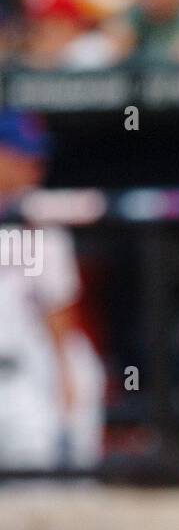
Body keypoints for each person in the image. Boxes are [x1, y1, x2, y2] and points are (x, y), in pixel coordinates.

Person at [0, 110, 105, 472]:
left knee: (46, 497)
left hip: (29, 373)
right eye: (21, 154)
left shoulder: (38, 219)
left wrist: (68, 379)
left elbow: (58, 308)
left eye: (37, 155)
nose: (34, 165)